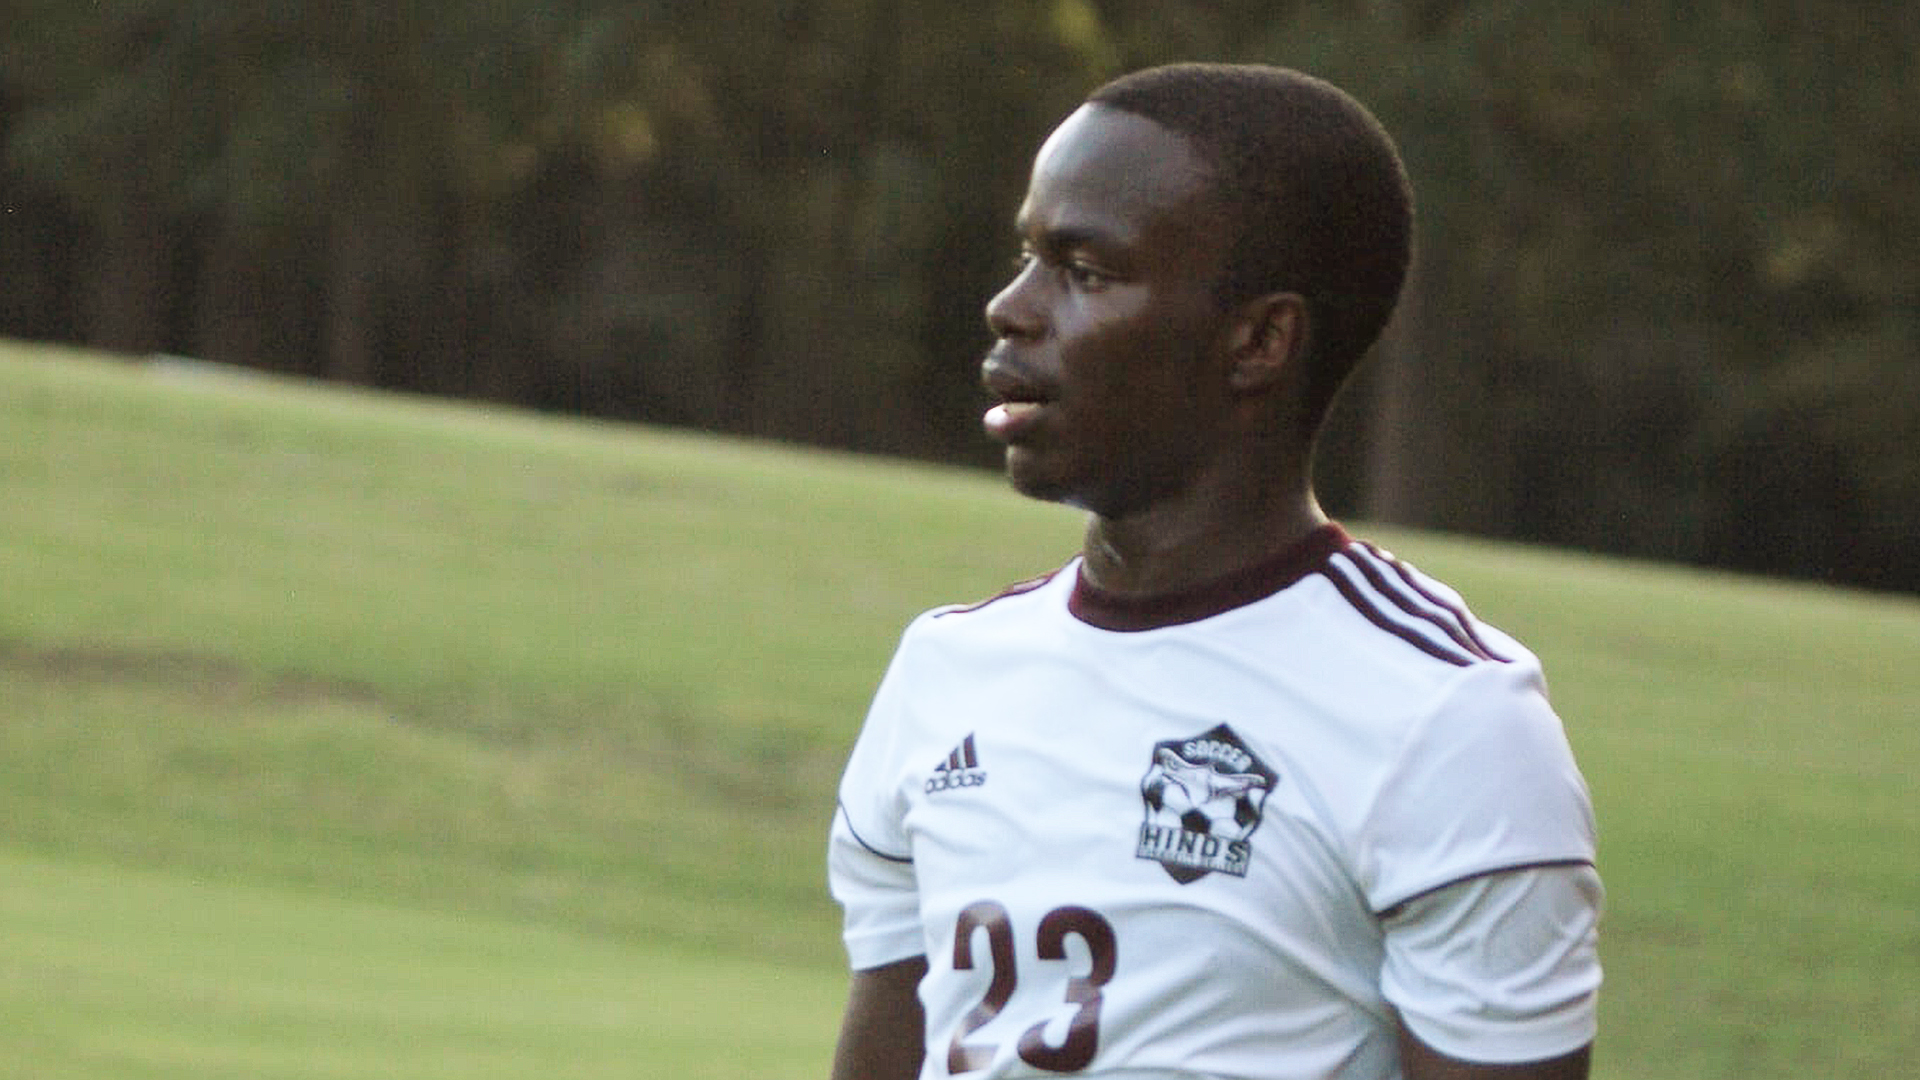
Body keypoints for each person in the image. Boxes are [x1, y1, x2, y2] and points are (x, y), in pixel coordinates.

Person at [826, 63, 1601, 1080]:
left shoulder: (1448, 723)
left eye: (1085, 271)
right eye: (1026, 257)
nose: (1011, 309)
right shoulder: (946, 671)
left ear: (1259, 341)